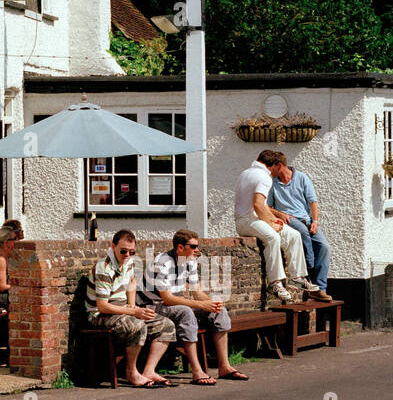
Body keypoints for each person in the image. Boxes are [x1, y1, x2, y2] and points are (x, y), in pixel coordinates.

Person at [137, 228, 248, 384]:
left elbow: (197, 292)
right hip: (151, 305)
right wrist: (201, 304)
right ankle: (197, 371)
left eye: (197, 246)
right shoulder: (162, 263)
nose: (197, 250)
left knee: (218, 312)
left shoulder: (190, 262)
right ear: (180, 247)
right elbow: (167, 298)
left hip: (172, 303)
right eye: (193, 246)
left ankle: (225, 367)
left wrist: (211, 303)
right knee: (185, 312)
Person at [86, 230, 178, 387]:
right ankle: (131, 372)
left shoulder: (129, 262)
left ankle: (149, 370)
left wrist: (132, 305)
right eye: (123, 251)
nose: (127, 254)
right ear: (113, 246)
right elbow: (102, 306)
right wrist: (133, 312)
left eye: (131, 251)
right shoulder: (104, 268)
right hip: (100, 315)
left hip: (121, 310)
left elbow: (132, 282)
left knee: (166, 325)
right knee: (137, 325)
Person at [234, 149, 319, 305]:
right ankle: (275, 284)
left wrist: (274, 219)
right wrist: (272, 224)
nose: (277, 174)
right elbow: (258, 204)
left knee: (293, 235)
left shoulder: (246, 173)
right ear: (275, 165)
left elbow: (262, 205)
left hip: (253, 219)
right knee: (272, 237)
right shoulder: (264, 177)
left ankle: (296, 278)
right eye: (278, 170)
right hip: (246, 221)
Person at [269, 163, 334, 301]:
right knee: (303, 232)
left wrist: (315, 221)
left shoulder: (302, 178)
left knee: (324, 247)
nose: (270, 170)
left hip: (306, 219)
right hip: (288, 219)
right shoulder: (272, 183)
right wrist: (280, 214)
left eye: (272, 167)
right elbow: (267, 207)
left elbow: (313, 202)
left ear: (280, 166)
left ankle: (319, 288)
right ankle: (309, 270)